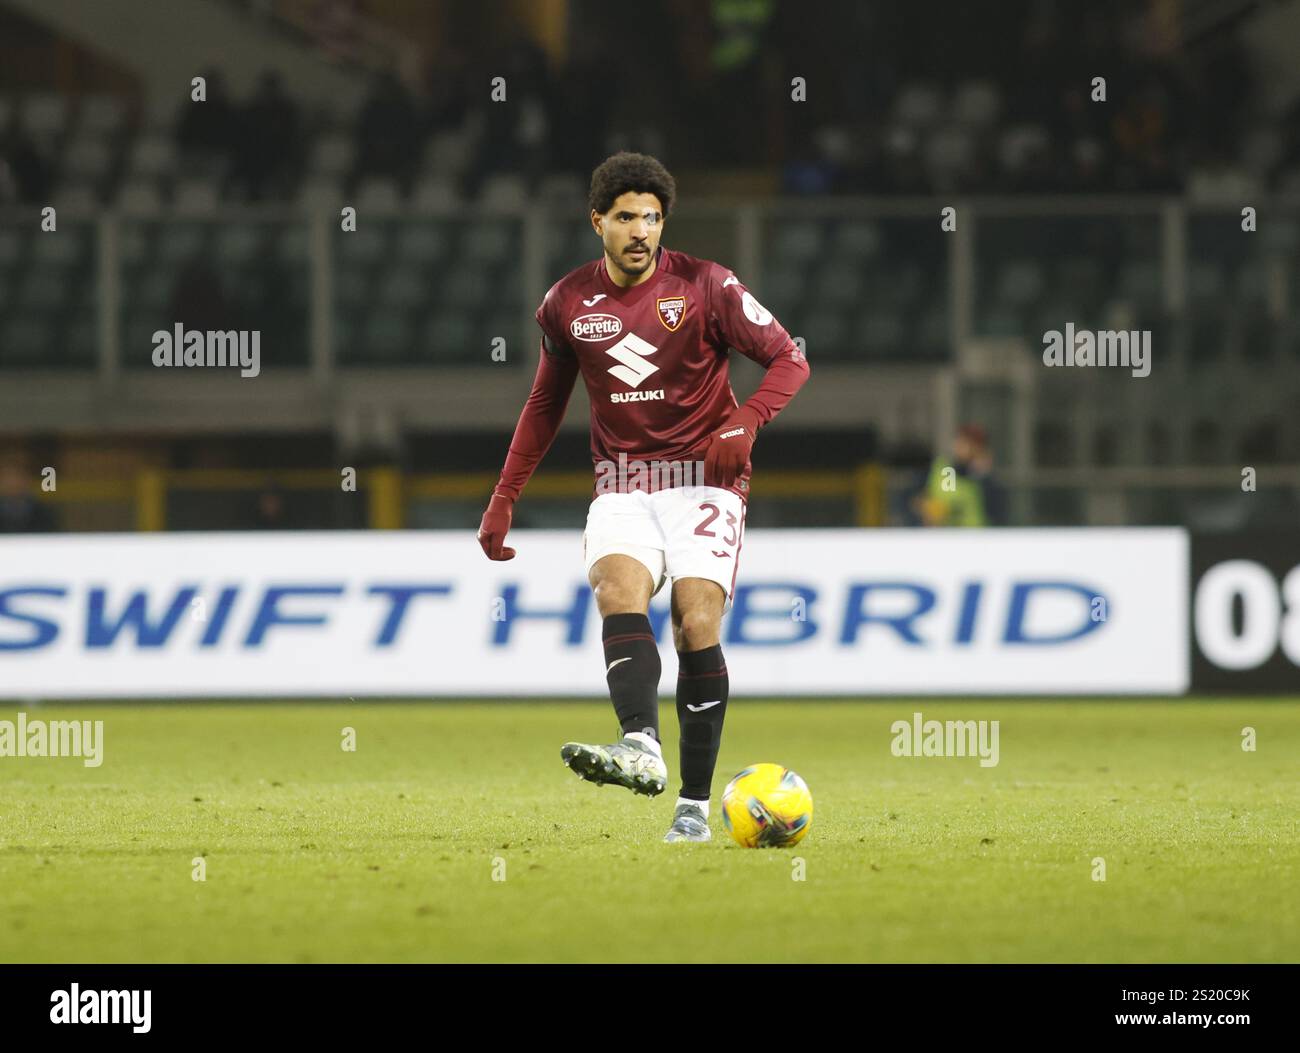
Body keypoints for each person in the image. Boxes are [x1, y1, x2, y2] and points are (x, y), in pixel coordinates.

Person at [476, 152, 809, 843]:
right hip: (623, 481)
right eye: (626, 217)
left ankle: (692, 804)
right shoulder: (566, 302)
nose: (640, 230)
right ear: (597, 220)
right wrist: (504, 495)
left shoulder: (708, 286)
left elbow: (790, 359)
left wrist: (747, 420)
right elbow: (544, 404)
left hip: (705, 481)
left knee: (694, 623)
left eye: (652, 217)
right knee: (615, 587)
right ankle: (641, 745)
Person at [918, 423, 1006, 527]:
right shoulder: (941, 468)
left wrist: (984, 476)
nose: (961, 446)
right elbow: (917, 497)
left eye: (970, 443)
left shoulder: (984, 478)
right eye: (960, 441)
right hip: (941, 536)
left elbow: (998, 514)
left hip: (975, 537)